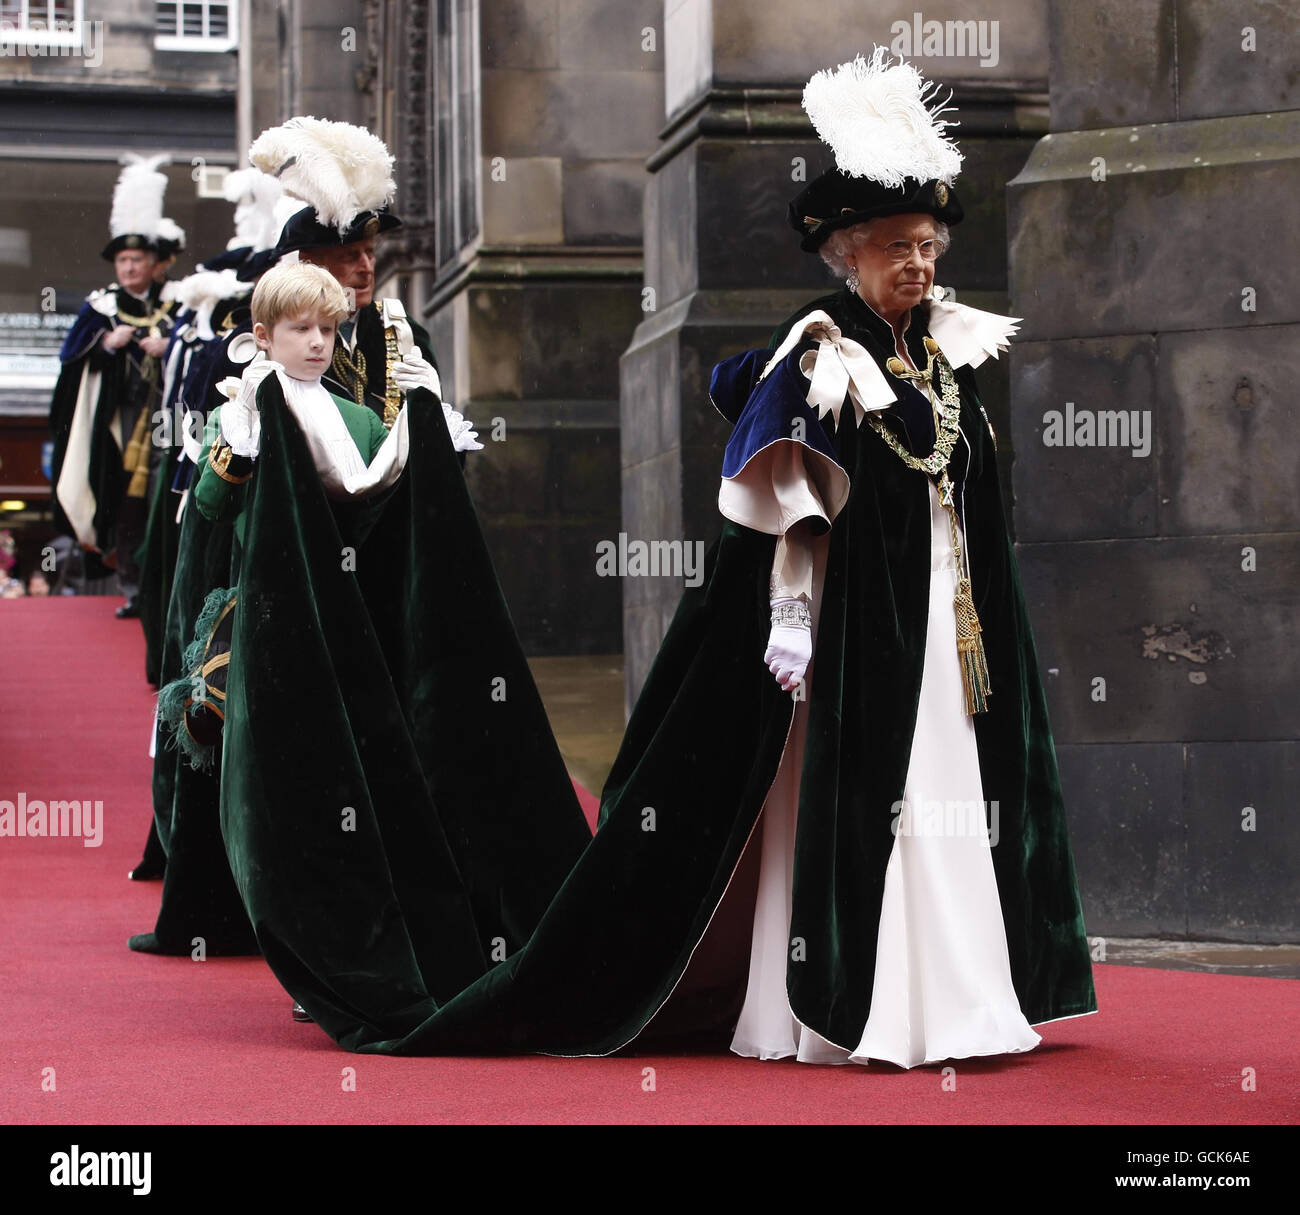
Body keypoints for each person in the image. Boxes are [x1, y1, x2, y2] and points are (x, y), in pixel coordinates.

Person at [306, 50, 1095, 1064]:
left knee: (952, 788)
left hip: (949, 623)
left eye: (928, 245)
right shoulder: (821, 354)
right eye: (895, 247)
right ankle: (869, 1012)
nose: (918, 264)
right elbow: (790, 499)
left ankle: (960, 995)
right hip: (856, 634)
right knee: (876, 801)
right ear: (846, 254)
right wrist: (795, 616)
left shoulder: (942, 357)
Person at [136, 262, 592, 1038]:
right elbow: (207, 513)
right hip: (273, 625)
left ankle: (344, 949)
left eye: (327, 330)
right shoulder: (244, 410)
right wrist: (236, 454)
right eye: (300, 331)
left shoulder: (355, 417)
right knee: (283, 797)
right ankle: (299, 947)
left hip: (353, 629)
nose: (317, 343)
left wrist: (431, 434)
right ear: (263, 338)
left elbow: (392, 491)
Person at [48, 154, 179, 616]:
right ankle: (133, 589)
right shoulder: (100, 307)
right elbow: (70, 358)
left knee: (166, 501)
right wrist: (106, 343)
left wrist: (172, 344)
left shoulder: (177, 303)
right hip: (120, 423)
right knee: (127, 507)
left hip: (171, 419)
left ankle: (165, 587)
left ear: (153, 263)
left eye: (136, 259)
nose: (127, 268)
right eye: (122, 260)